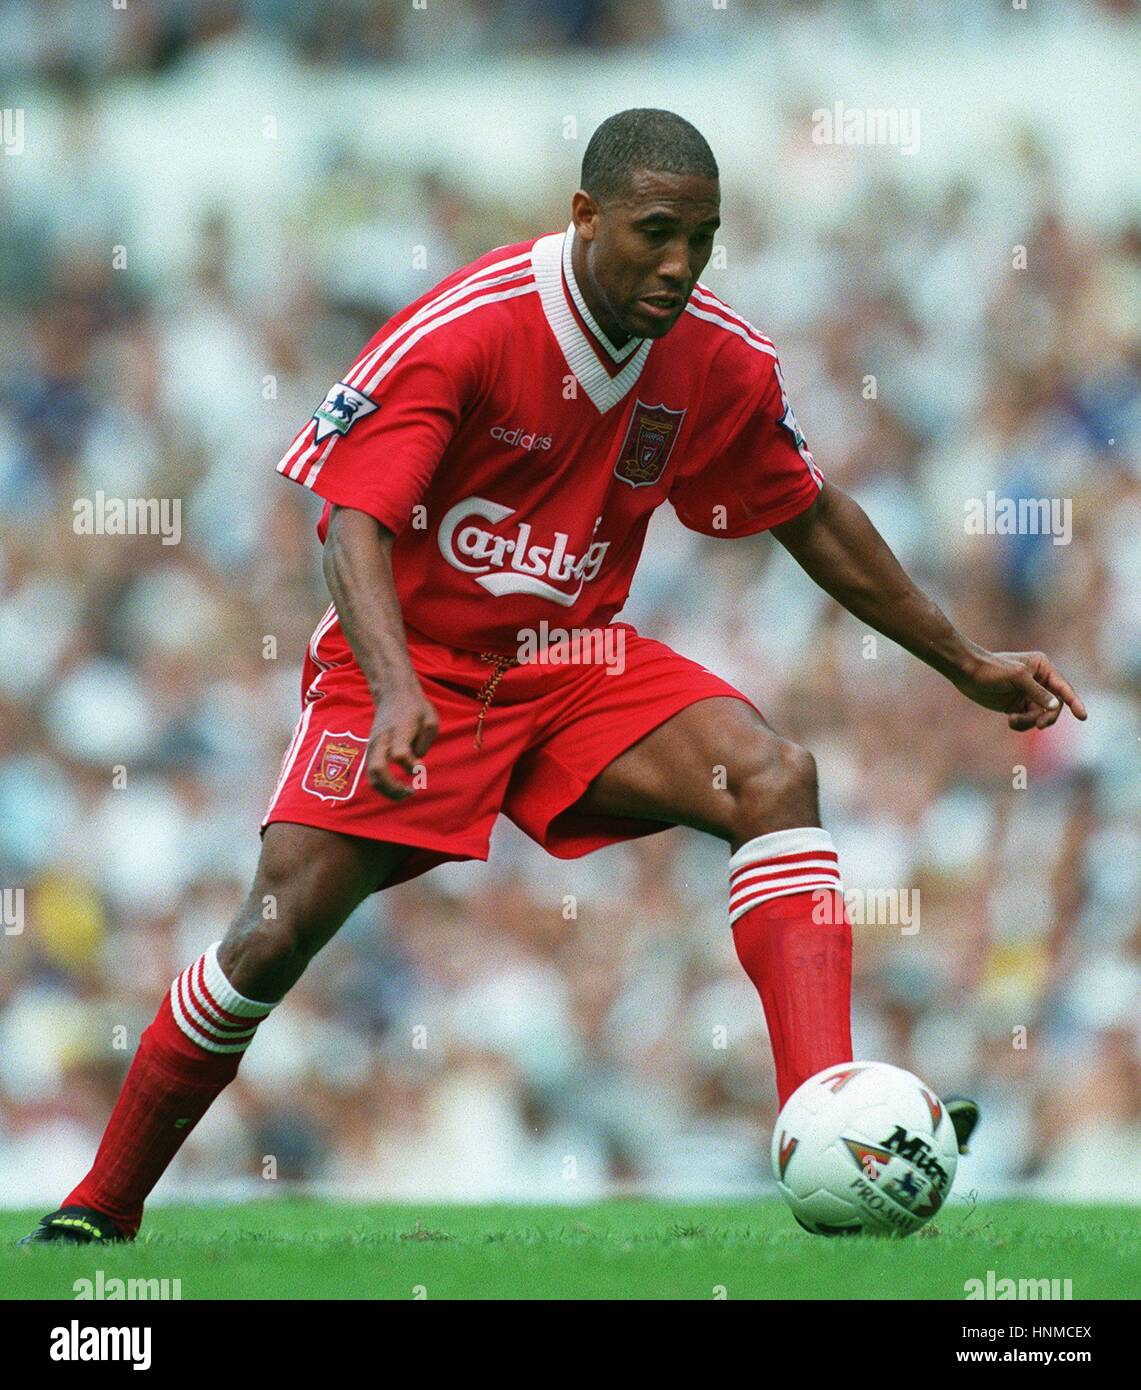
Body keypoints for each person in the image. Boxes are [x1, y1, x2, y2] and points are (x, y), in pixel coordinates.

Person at [23, 108, 1085, 1245]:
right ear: (585, 216)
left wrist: (963, 661)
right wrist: (393, 688)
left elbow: (808, 515)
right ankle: (103, 1202)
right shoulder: (469, 329)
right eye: (656, 232)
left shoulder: (716, 355)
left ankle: (828, 1122)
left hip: (568, 659)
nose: (679, 265)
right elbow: (350, 524)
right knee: (272, 935)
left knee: (773, 776)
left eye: (704, 239)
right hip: (415, 661)